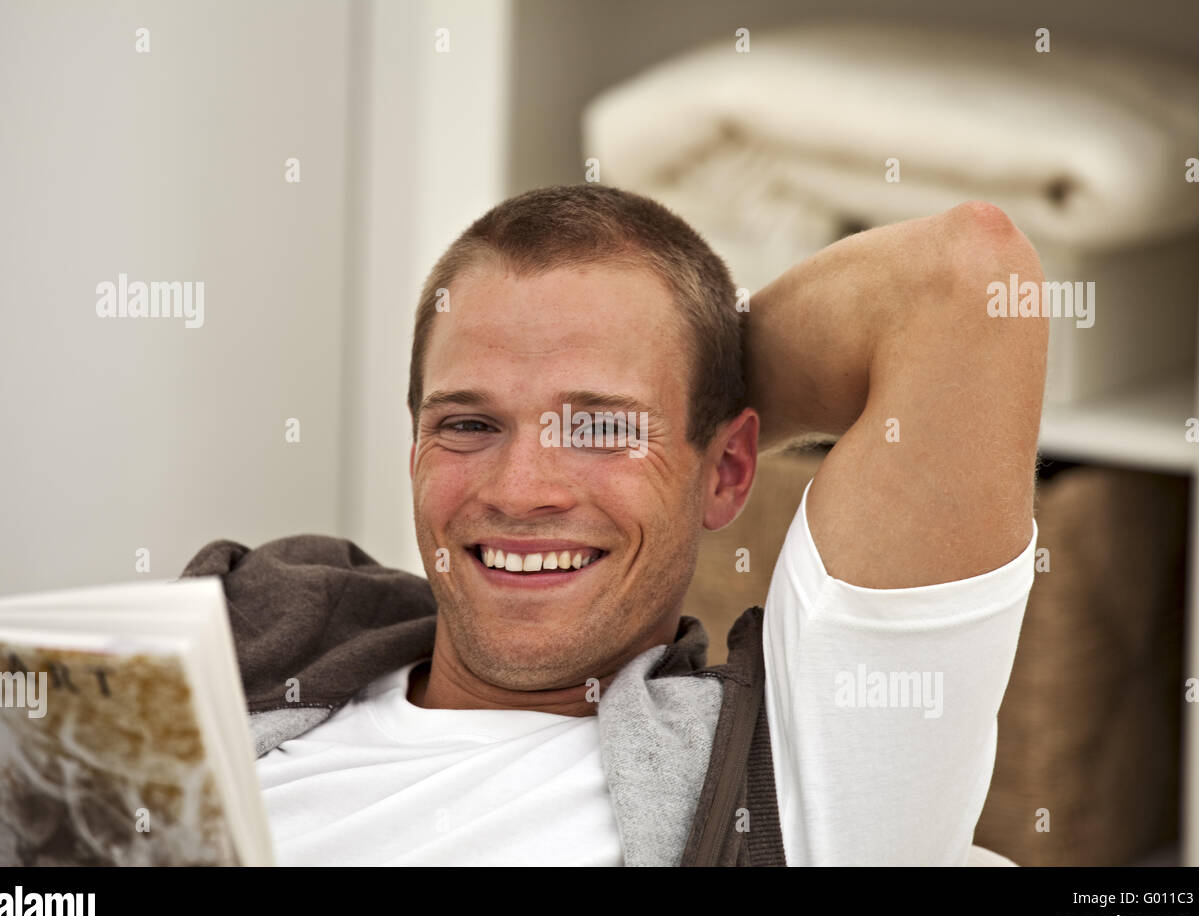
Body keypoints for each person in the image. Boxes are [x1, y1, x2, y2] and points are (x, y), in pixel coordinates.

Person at [186, 184, 1046, 865]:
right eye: (470, 424)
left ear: (730, 471)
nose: (520, 490)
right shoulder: (252, 638)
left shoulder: (786, 778)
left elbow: (964, 280)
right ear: (415, 450)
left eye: (600, 428)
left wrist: (700, 383)